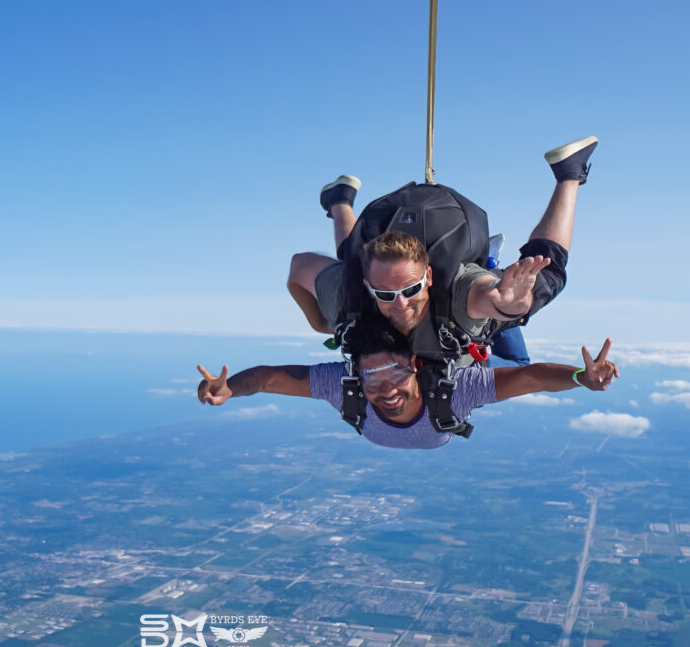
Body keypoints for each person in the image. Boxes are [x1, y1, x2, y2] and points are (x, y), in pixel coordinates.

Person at [286, 136, 598, 364]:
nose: (400, 303)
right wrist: (323, 322)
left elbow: (485, 297)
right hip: (384, 263)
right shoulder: (350, 296)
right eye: (385, 294)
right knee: (354, 259)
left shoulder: (457, 301)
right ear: (370, 288)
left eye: (410, 289)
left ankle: (569, 176)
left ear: (430, 276)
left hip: (461, 286)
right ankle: (340, 200)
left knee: (549, 273)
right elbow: (299, 268)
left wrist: (510, 304)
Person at [196, 325, 619, 450]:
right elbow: (269, 379)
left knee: (513, 361)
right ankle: (340, 202)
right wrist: (230, 388)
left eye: (396, 376)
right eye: (371, 379)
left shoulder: (455, 390)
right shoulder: (345, 387)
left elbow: (531, 377)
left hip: (448, 364)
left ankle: (495, 304)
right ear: (357, 377)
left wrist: (582, 379)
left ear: (416, 369)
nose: (385, 389)